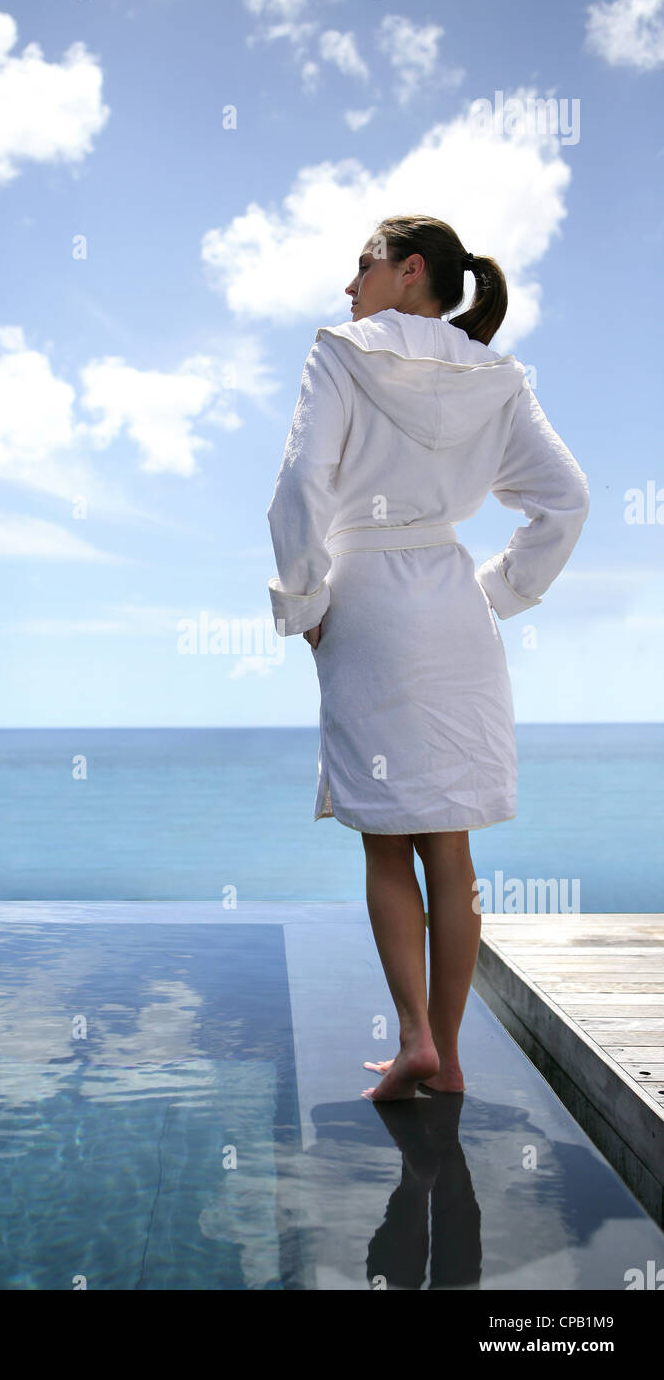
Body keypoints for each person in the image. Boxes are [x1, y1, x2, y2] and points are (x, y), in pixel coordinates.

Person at [266, 214, 590, 1102]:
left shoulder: (343, 350)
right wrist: (498, 591)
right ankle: (444, 1053)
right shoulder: (499, 376)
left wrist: (305, 603)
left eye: (361, 264)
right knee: (450, 846)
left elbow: (300, 487)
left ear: (408, 271)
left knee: (385, 845)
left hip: (365, 596)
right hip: (453, 604)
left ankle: (410, 1035)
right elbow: (567, 500)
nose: (349, 286)